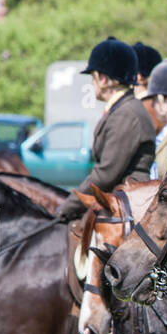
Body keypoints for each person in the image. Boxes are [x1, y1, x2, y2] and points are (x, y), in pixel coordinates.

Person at [54, 37, 155, 220]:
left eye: (93, 78)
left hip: (127, 208)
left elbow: (106, 175)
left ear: (103, 78)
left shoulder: (127, 114)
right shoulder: (121, 110)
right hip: (117, 202)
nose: (92, 83)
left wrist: (67, 207)